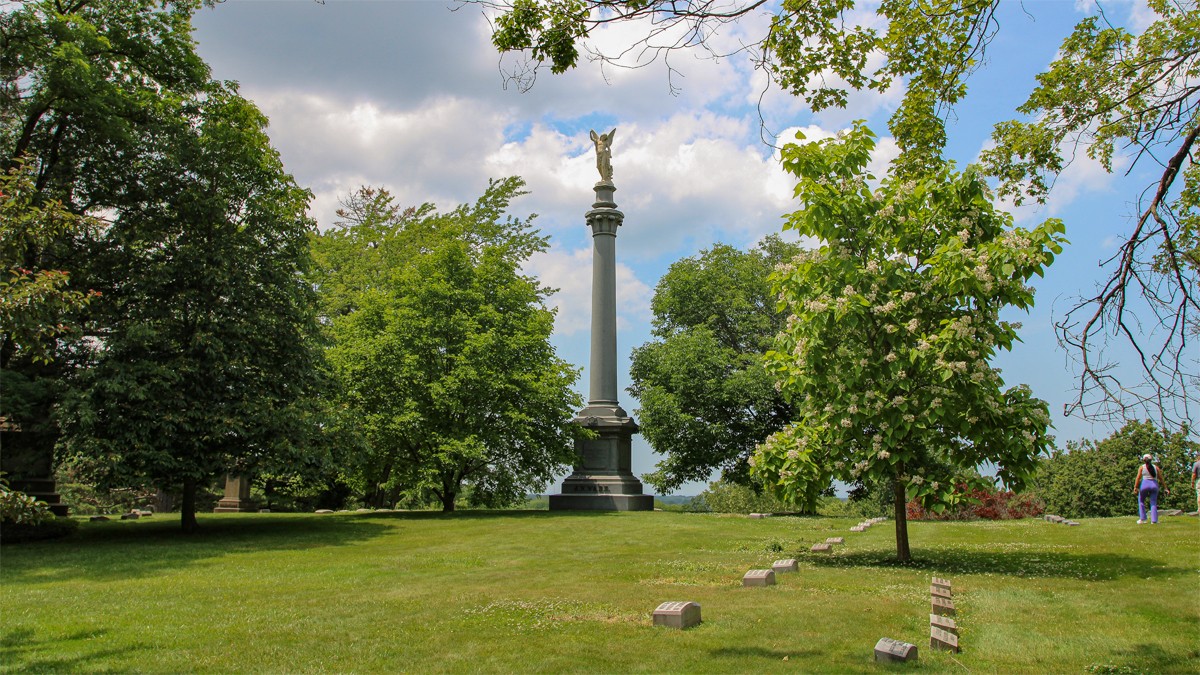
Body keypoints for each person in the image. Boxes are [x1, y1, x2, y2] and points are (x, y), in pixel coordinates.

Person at [1134, 453, 1169, 524]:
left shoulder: (1142, 467)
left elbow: (1138, 478)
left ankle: (1143, 519)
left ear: (1144, 460)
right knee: (1153, 502)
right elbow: (1161, 478)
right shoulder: (1156, 467)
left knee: (1141, 501)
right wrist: (1165, 488)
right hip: (1154, 485)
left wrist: (1135, 487)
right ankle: (1154, 520)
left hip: (1145, 484)